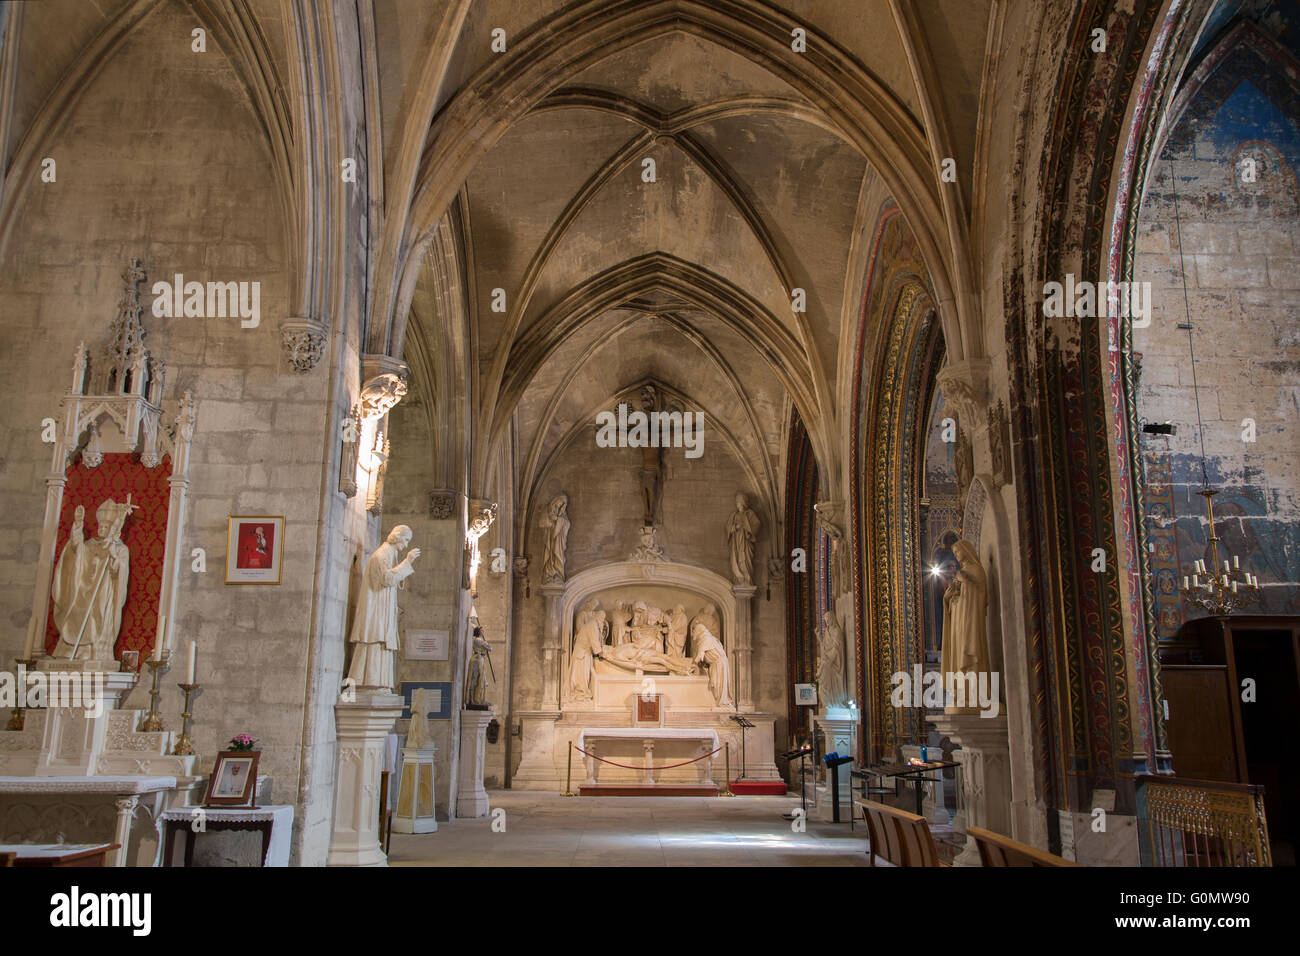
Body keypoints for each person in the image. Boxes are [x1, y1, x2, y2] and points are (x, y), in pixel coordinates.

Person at [51, 498, 133, 661]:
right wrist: (78, 525)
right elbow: (76, 550)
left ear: (112, 529)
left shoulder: (120, 548)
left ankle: (93, 650)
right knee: (75, 611)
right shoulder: (89, 545)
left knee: (98, 618)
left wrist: (113, 556)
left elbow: (119, 571)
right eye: (100, 526)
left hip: (102, 591)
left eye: (106, 527)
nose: (102, 529)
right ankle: (70, 649)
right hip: (82, 591)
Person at [347, 525, 420, 691]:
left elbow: (391, 578)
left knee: (382, 643)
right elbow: (387, 579)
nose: (406, 545)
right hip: (376, 612)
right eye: (406, 539)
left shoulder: (390, 554)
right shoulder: (381, 555)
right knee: (374, 640)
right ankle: (366, 684)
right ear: (397, 536)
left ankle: (380, 684)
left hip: (383, 610)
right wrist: (407, 561)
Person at [690, 619, 733, 707]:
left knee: (718, 686)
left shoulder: (706, 638)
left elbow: (700, 656)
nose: (693, 634)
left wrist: (693, 665)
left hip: (719, 664)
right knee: (716, 685)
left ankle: (722, 703)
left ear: (698, 631)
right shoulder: (709, 638)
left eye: (694, 632)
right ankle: (721, 702)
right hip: (717, 664)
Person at [725, 492, 760, 584]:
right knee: (736, 558)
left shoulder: (750, 513)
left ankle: (746, 578)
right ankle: (739, 577)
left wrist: (749, 532)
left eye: (739, 502)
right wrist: (734, 528)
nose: (737, 504)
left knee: (745, 558)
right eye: (737, 502)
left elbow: (757, 524)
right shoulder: (734, 515)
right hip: (736, 541)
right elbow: (728, 527)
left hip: (745, 541)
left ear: (743, 502)